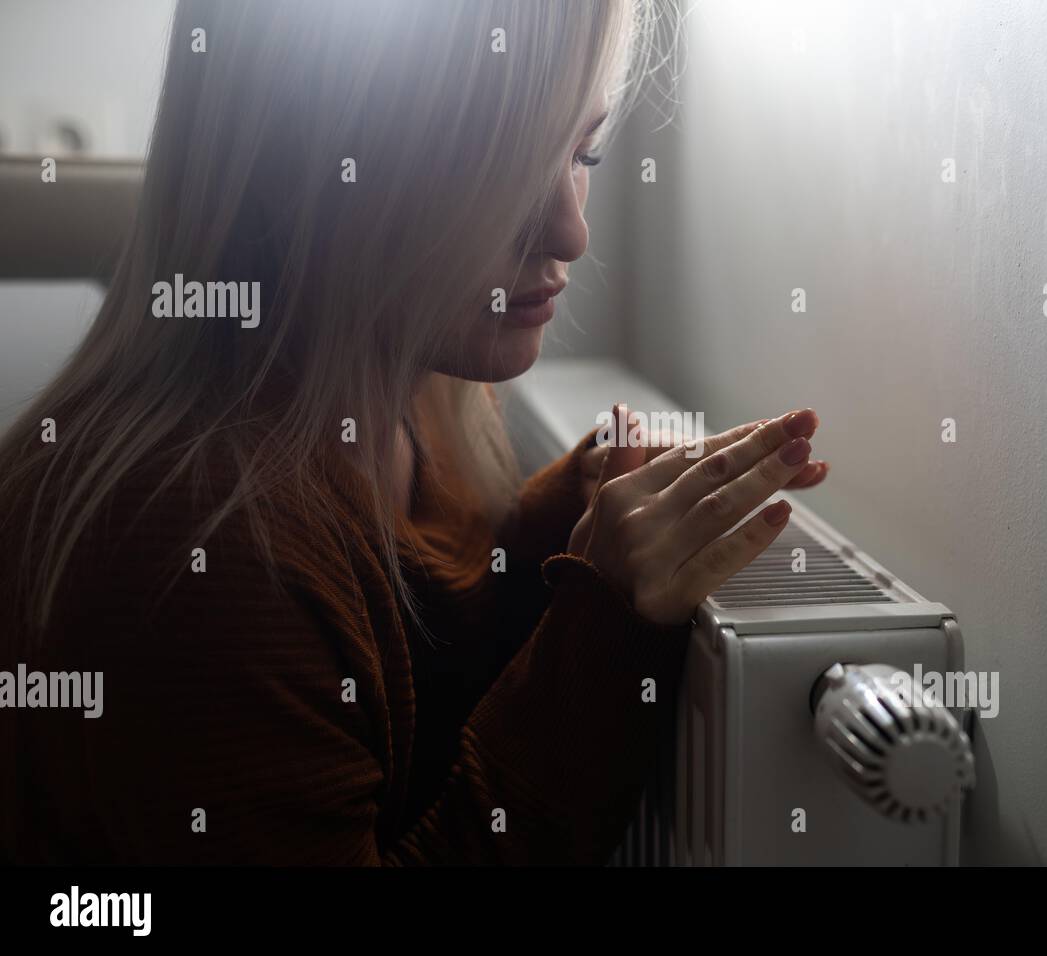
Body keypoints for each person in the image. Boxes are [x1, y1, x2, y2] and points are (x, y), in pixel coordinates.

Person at [0, 0, 827, 864]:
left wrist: (576, 517)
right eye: (496, 165)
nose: (571, 231)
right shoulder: (197, 552)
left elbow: (425, 646)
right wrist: (604, 630)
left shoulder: (410, 379)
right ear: (304, 162)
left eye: (585, 152)